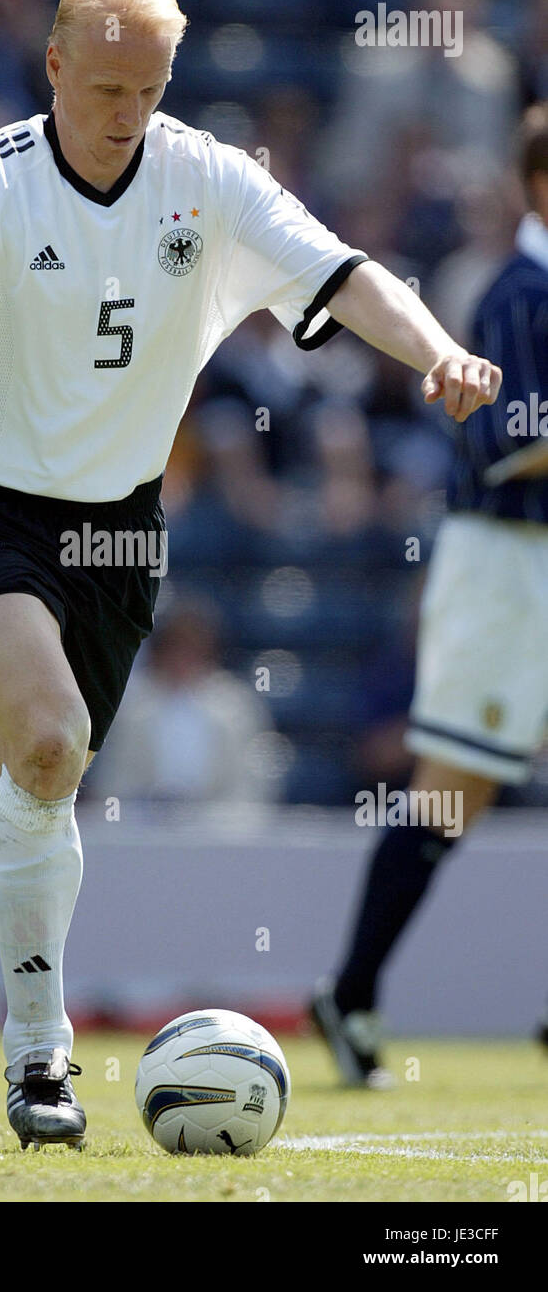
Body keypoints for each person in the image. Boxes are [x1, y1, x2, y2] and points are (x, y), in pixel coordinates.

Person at [0, 0, 501, 1151]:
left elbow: (338, 273)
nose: (124, 115)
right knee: (54, 742)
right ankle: (39, 1056)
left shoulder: (206, 182)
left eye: (147, 90)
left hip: (117, 531)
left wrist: (434, 350)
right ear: (53, 64)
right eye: (103, 87)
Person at [311, 103, 548, 1087]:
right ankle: (351, 993)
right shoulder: (516, 296)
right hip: (505, 562)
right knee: (452, 791)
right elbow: (510, 445)